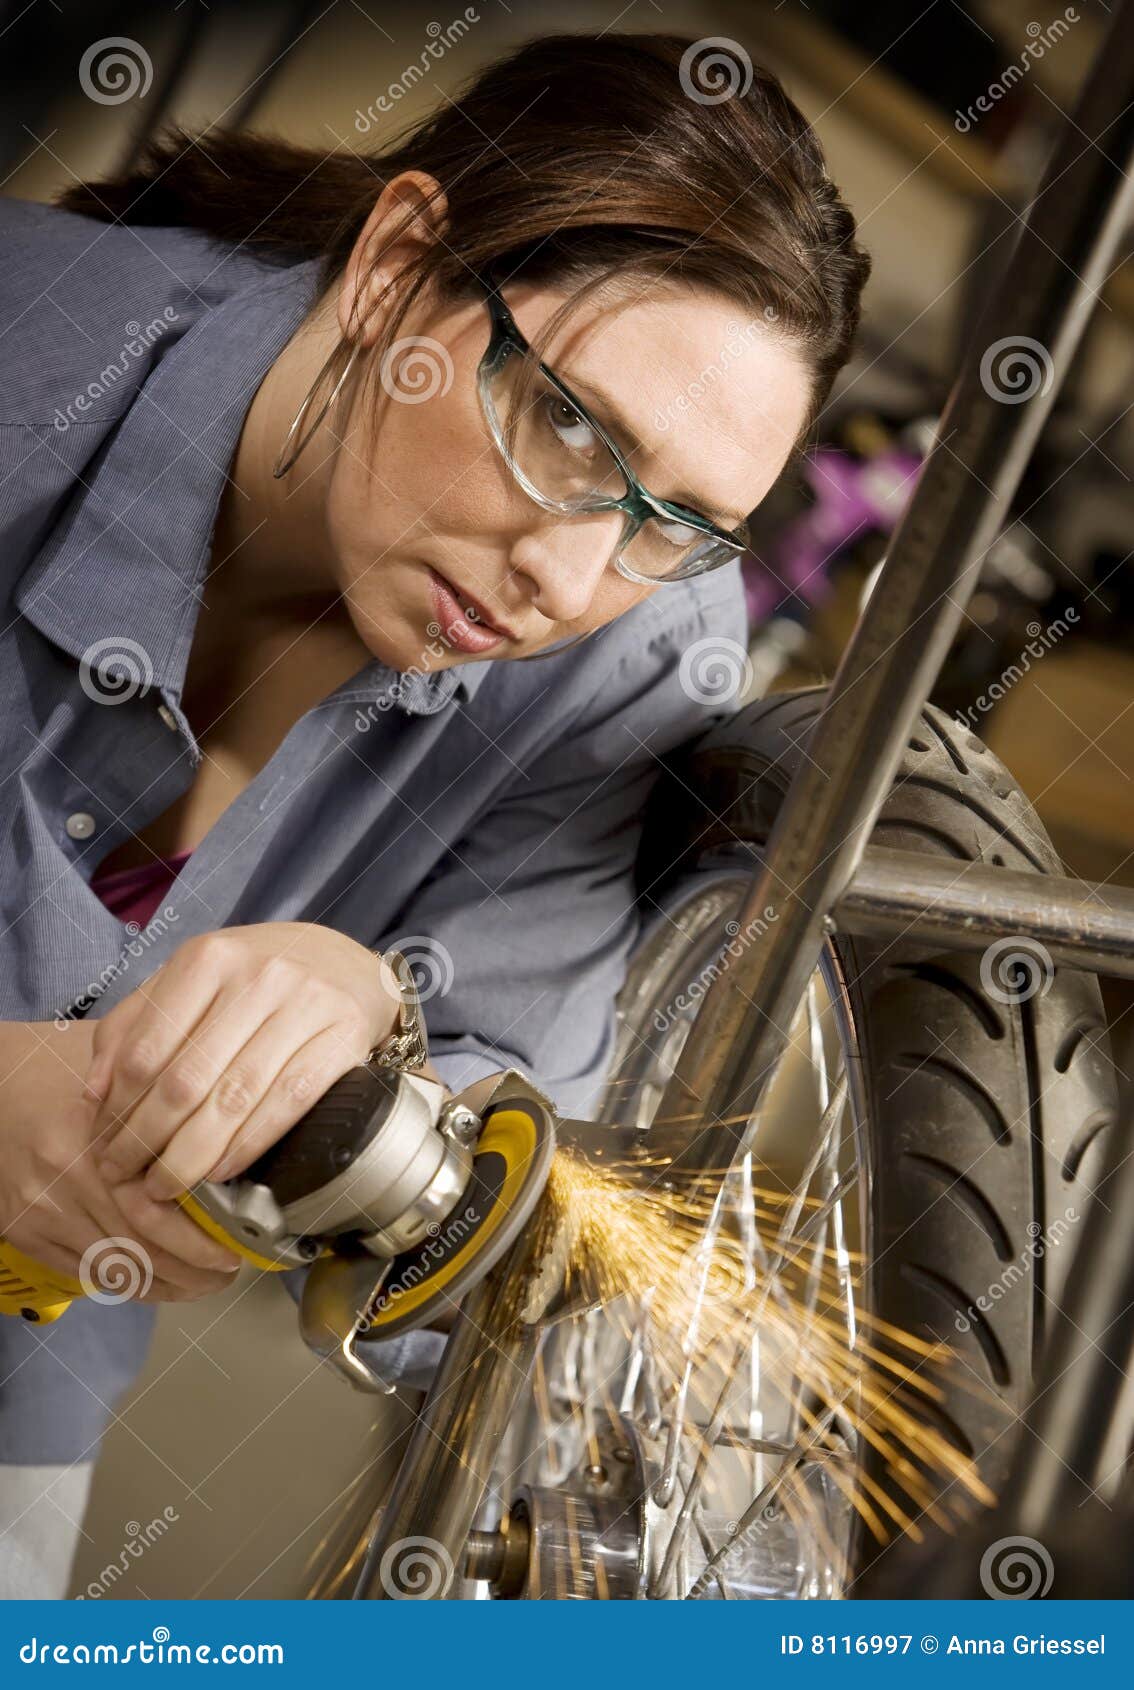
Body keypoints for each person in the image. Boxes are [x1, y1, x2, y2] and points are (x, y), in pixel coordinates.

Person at [0, 30, 869, 1596]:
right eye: (572, 433)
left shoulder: (636, 638)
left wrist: (376, 1015)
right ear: (400, 264)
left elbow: (509, 1147)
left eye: (680, 522)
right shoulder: (24, 354)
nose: (573, 578)